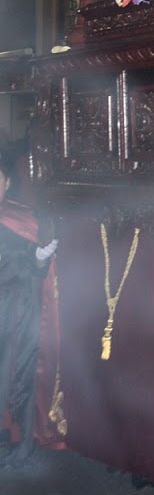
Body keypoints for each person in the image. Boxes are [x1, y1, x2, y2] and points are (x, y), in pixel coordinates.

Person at [0, 149, 56, 468]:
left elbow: (38, 268)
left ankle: (20, 444)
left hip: (18, 310)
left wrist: (40, 259)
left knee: (20, 374)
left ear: (8, 182)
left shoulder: (21, 216)